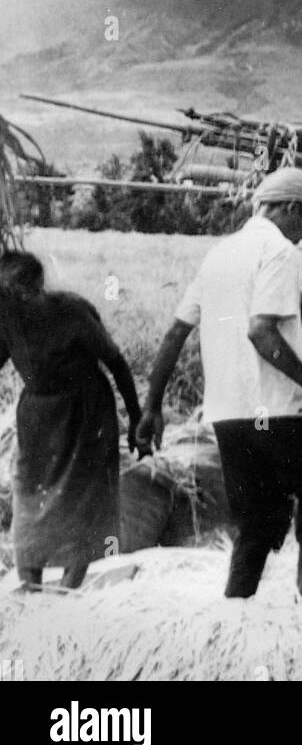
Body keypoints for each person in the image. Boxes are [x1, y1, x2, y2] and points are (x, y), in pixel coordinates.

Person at [136, 168, 302, 601]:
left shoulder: (219, 254)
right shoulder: (278, 252)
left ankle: (237, 608)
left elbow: (176, 333)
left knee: (256, 520)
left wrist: (151, 408)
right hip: (273, 412)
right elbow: (261, 332)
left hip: (227, 418)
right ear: (289, 207)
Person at [0, 250, 144, 591]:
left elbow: (116, 361)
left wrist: (137, 417)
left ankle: (70, 583)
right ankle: (30, 582)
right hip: (38, 415)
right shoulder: (6, 318)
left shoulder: (70, 310)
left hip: (86, 411)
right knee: (29, 488)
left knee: (86, 491)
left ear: (34, 286)